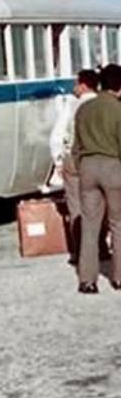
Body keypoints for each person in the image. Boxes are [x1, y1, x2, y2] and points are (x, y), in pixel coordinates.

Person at [73, 64, 121, 294]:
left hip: (88, 166)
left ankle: (87, 280)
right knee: (118, 224)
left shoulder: (84, 109)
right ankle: (119, 277)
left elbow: (76, 146)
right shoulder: (118, 109)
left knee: (90, 227)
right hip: (113, 166)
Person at [51, 69, 100, 257]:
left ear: (83, 85)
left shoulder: (72, 106)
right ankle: (101, 247)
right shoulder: (106, 103)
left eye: (76, 83)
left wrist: (58, 159)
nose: (74, 87)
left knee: (76, 205)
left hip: (74, 159)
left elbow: (58, 135)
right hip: (100, 160)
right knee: (98, 205)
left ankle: (81, 248)